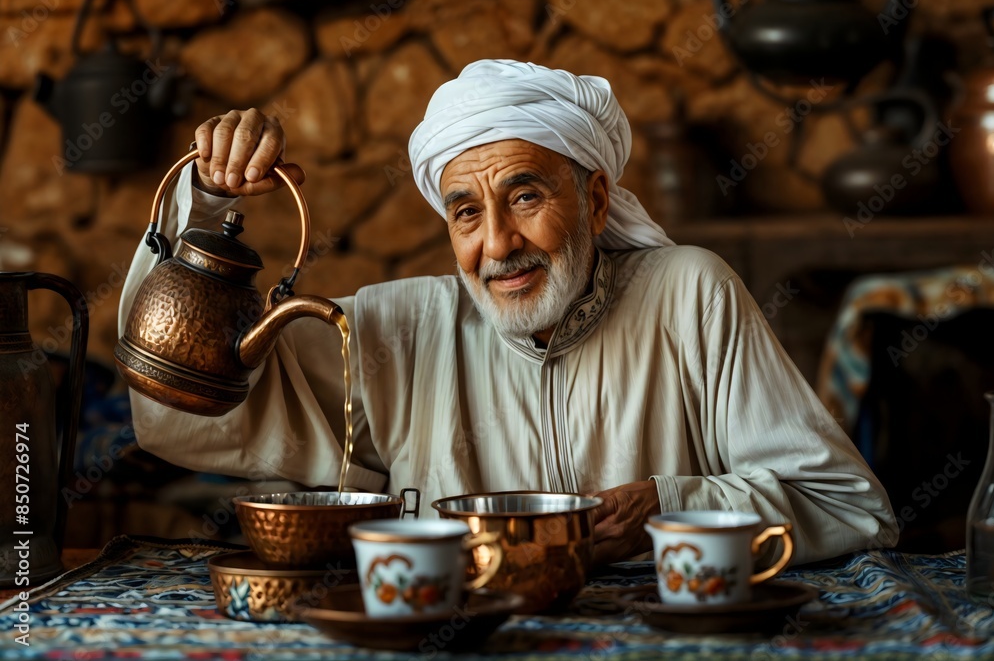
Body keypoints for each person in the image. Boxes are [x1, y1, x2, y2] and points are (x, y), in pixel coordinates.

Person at [119, 59, 898, 565]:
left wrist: (673, 503)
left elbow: (851, 508)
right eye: (466, 211)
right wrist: (210, 200)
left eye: (526, 195)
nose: (498, 244)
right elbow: (177, 415)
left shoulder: (688, 295)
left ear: (593, 198)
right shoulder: (402, 329)